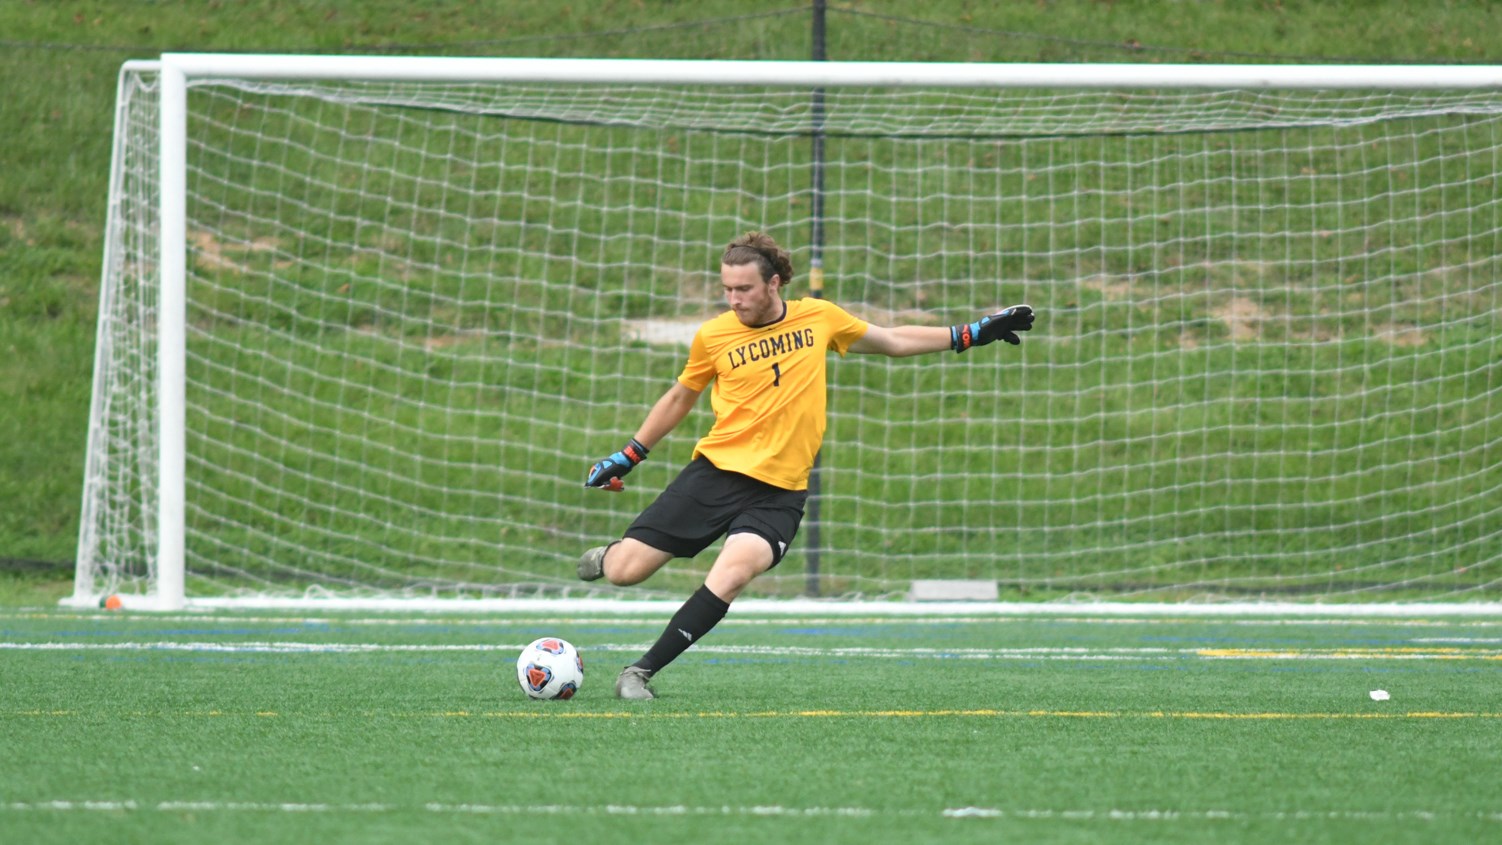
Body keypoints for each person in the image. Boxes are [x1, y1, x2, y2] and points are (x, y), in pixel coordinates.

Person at [578, 231, 1034, 699]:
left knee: (734, 573)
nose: (734, 300)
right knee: (624, 573)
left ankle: (639, 673)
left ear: (774, 284)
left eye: (744, 290)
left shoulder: (819, 317)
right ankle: (609, 555)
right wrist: (629, 455)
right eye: (727, 289)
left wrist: (972, 333)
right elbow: (680, 397)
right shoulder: (713, 336)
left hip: (779, 493)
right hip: (716, 474)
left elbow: (892, 340)